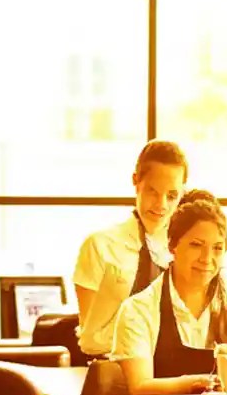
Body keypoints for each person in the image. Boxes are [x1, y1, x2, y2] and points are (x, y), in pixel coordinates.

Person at [111, 190, 227, 395]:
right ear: (172, 245)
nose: (207, 258)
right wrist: (200, 383)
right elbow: (140, 387)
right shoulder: (138, 310)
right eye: (196, 245)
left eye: (217, 248)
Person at [72, 140, 188, 360]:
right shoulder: (99, 245)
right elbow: (90, 338)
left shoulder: (185, 251)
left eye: (172, 196)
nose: (161, 204)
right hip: (111, 370)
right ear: (136, 181)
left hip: (174, 372)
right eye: (153, 191)